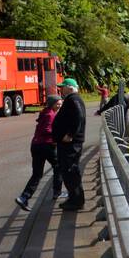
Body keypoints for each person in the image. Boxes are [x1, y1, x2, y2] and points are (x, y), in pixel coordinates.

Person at [15, 94, 62, 211]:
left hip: (36, 145)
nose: (60, 105)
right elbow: (47, 130)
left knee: (37, 174)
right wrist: (59, 135)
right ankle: (57, 192)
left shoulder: (45, 112)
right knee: (58, 166)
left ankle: (24, 197)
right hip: (46, 146)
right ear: (52, 104)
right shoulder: (50, 114)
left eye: (60, 103)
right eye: (58, 103)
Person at [52, 77, 87, 210]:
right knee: (67, 171)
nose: (61, 89)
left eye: (63, 87)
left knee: (71, 170)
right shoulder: (71, 99)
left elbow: (79, 117)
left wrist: (70, 134)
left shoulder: (74, 99)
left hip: (71, 144)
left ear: (70, 88)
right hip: (67, 143)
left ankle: (76, 201)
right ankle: (73, 198)